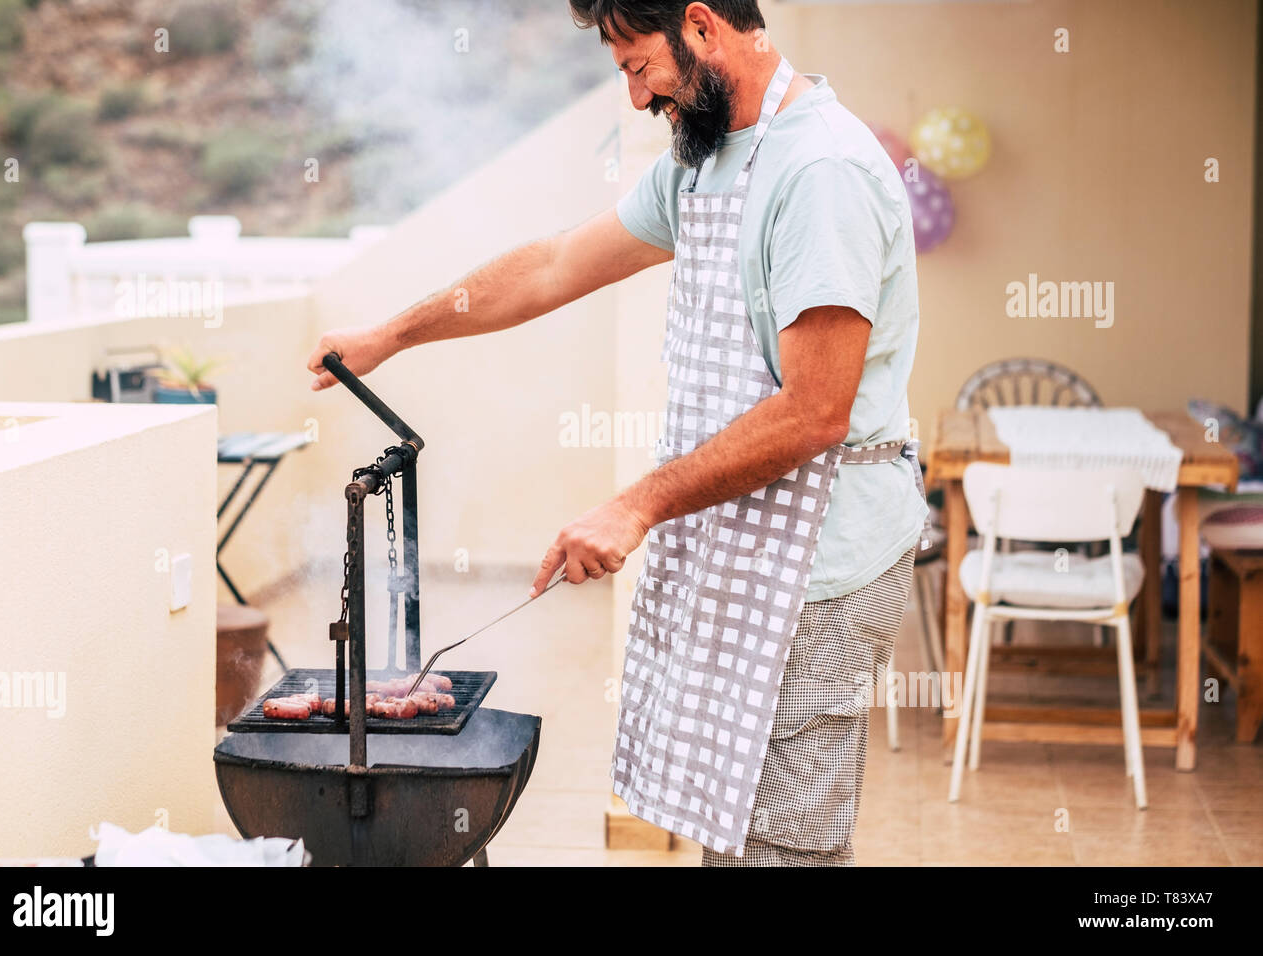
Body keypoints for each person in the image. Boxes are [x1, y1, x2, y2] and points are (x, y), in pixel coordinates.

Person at [307, 0, 926, 866]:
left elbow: (813, 412)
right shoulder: (705, 164)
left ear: (703, 27)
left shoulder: (821, 172)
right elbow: (555, 265)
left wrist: (637, 504)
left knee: (782, 843)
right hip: (743, 543)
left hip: (819, 560)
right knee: (736, 829)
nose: (637, 99)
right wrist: (391, 336)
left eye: (640, 68)